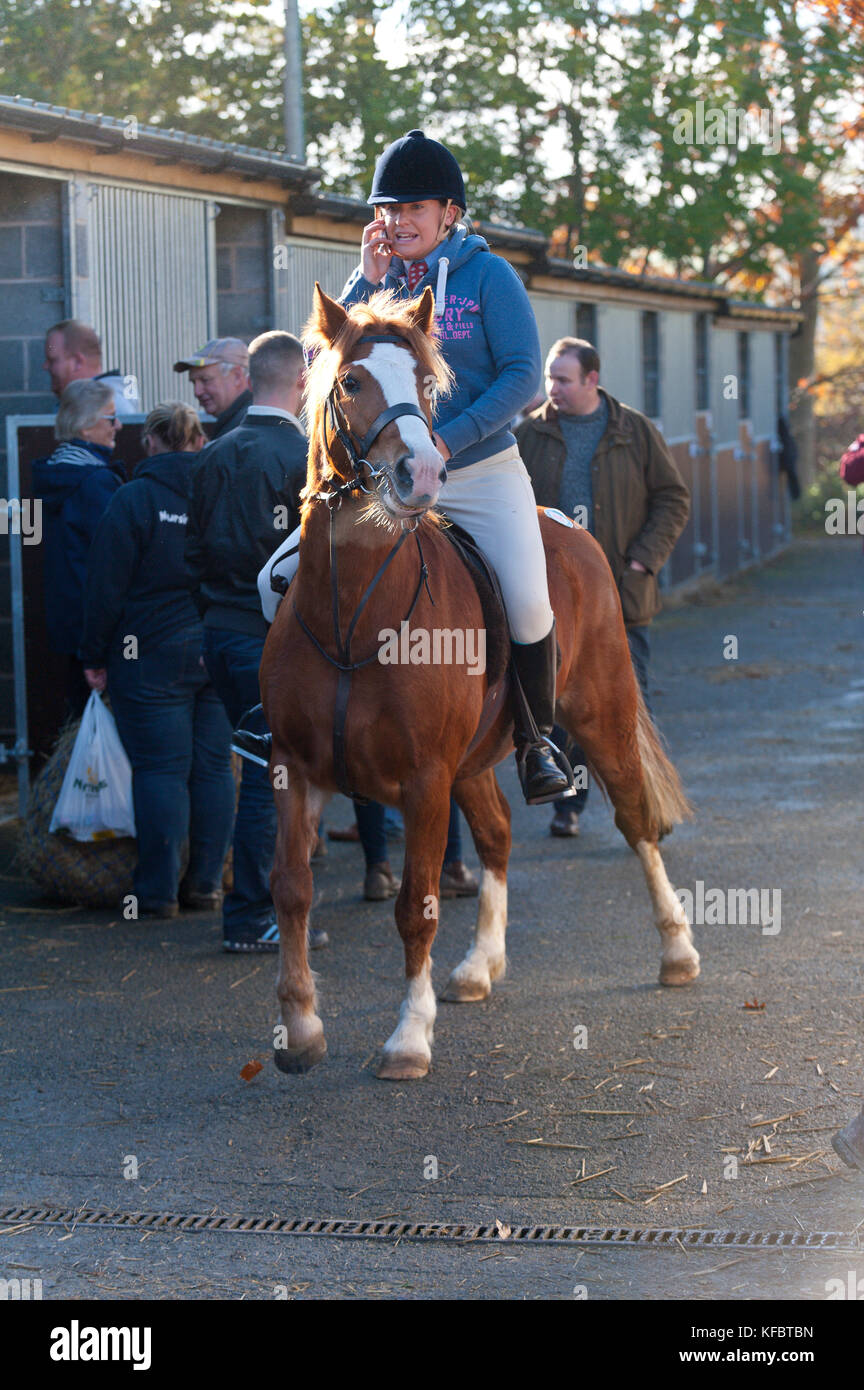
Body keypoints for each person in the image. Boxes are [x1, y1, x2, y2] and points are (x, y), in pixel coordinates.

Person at [259, 129, 574, 807]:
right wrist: (363, 282)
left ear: (449, 214)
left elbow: (523, 375)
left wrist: (449, 441)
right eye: (387, 210)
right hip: (381, 482)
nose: (397, 222)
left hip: (478, 470)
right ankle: (287, 720)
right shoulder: (375, 285)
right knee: (272, 579)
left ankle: (537, 740)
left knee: (526, 601)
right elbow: (323, 377)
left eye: (413, 210)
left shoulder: (489, 277)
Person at [185, 331, 329, 951]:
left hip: (218, 631)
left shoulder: (214, 452)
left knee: (253, 772)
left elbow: (190, 553)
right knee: (270, 783)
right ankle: (249, 917)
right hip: (269, 643)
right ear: (303, 384)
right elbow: (312, 564)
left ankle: (252, 910)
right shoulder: (304, 457)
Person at [516, 336, 690, 837]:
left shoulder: (633, 431)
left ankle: (648, 808)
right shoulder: (532, 434)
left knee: (633, 704)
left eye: (563, 380)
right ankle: (568, 807)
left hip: (622, 595)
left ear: (592, 380)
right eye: (549, 378)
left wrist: (643, 558)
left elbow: (673, 498)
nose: (553, 389)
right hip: (558, 598)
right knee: (566, 704)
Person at [79, 403, 235, 919]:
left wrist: (94, 655)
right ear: (197, 442)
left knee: (162, 771)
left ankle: (157, 893)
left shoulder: (133, 500)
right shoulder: (222, 493)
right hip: (217, 647)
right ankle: (207, 886)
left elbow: (105, 588)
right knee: (213, 769)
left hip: (149, 654)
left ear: (150, 443)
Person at [31, 379, 125, 717]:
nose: (118, 425)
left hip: (68, 624)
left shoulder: (52, 473)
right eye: (110, 417)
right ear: (86, 425)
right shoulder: (95, 482)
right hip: (96, 628)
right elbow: (114, 558)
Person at [44, 319, 141, 416]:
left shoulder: (108, 405)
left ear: (78, 362)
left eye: (53, 360)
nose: (45, 366)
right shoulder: (94, 403)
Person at [174, 338, 252, 438]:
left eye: (205, 380)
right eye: (193, 382)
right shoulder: (242, 422)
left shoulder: (245, 427)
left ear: (237, 376)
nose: (197, 392)